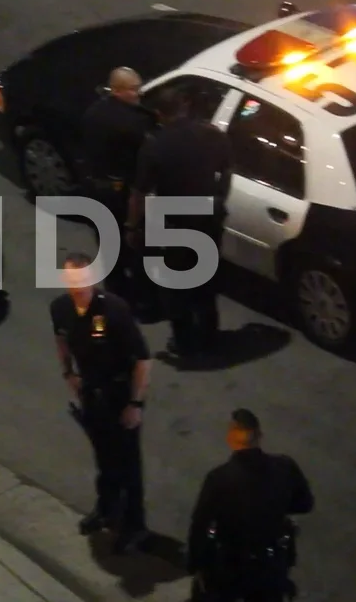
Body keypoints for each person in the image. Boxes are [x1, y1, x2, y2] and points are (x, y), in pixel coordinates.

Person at [51, 252, 153, 554]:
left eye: (83, 281)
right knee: (104, 459)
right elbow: (61, 340)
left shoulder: (114, 310)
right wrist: (68, 372)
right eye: (72, 281)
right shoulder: (60, 308)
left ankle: (136, 526)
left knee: (129, 466)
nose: (78, 287)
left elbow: (144, 360)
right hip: (91, 396)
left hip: (120, 396)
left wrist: (135, 404)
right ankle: (106, 510)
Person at [126, 85, 232, 356]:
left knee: (174, 286)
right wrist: (219, 199)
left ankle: (184, 343)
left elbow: (139, 193)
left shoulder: (155, 146)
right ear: (185, 106)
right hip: (208, 217)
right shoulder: (213, 135)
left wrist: (132, 226)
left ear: (159, 114)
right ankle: (210, 337)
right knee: (206, 281)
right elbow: (227, 170)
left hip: (174, 220)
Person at [187, 409, 314, 601]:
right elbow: (305, 504)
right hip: (270, 564)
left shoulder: (218, 479)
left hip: (230, 567)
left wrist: (196, 565)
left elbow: (199, 525)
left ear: (231, 439)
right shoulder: (285, 467)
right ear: (260, 435)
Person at [81, 67, 158, 306]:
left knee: (107, 242)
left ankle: (115, 291)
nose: (139, 93)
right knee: (132, 241)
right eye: (133, 89)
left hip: (96, 187)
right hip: (119, 191)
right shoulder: (134, 122)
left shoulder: (94, 111)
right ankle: (138, 296)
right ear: (117, 90)